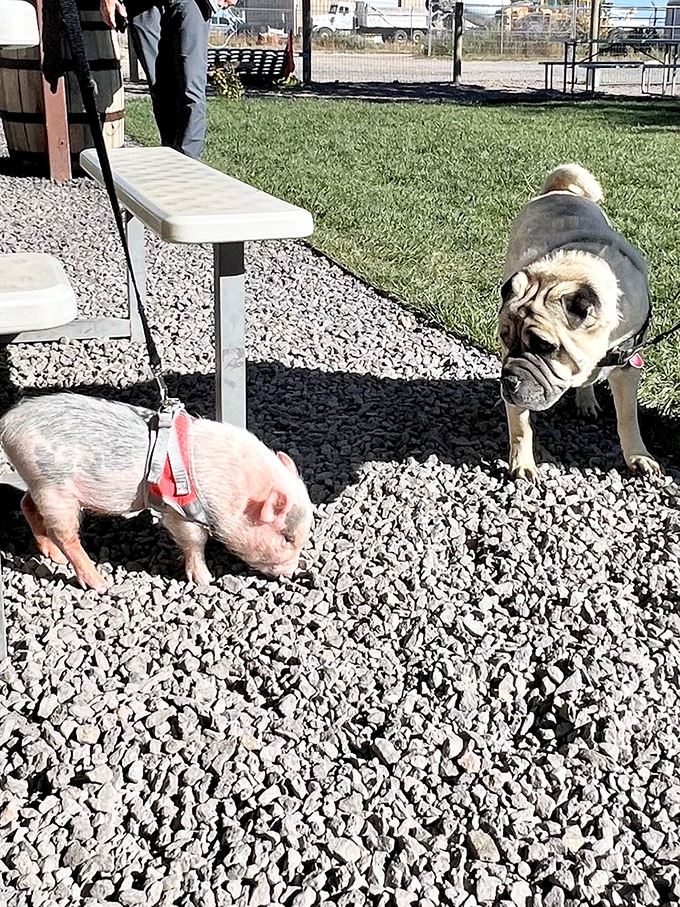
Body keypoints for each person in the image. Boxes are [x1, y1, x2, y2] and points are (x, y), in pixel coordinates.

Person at [100, 0, 236, 159]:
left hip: (192, 3)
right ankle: (172, 162)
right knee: (161, 90)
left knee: (191, 89)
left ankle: (188, 168)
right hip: (141, 6)